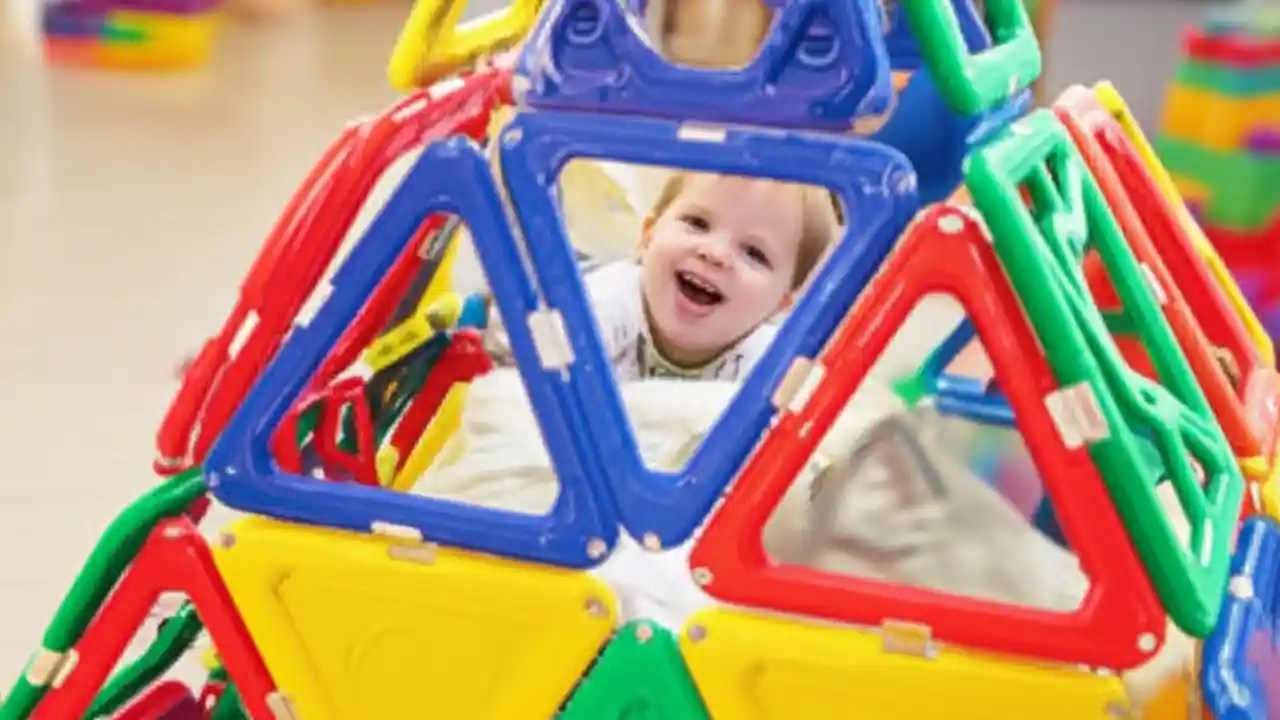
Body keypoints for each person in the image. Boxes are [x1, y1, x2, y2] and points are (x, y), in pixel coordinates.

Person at [482, 169, 844, 382]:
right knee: (526, 293)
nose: (714, 253)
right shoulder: (612, 303)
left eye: (754, 254)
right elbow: (541, 357)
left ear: (783, 304)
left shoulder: (765, 359)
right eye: (697, 223)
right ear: (648, 235)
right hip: (585, 283)